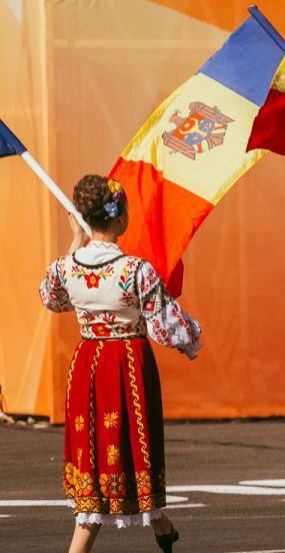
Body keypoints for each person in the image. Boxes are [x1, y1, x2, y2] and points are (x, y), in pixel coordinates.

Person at [39, 175, 202, 553]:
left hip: (88, 364)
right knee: (131, 447)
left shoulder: (66, 268)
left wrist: (75, 243)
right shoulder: (135, 270)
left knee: (98, 449)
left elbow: (52, 299)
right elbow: (169, 324)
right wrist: (191, 339)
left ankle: (161, 525)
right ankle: (155, 524)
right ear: (119, 217)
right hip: (127, 364)